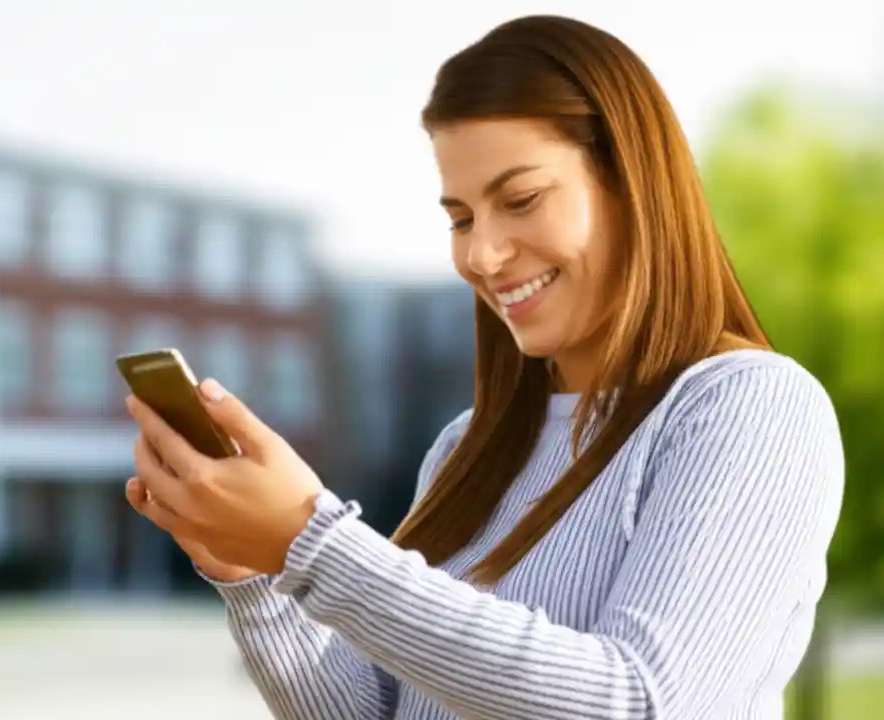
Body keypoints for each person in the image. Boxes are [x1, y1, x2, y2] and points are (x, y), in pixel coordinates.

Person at [122, 14, 844, 719]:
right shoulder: (465, 450)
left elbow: (646, 703)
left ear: (634, 185)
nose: (481, 255)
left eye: (521, 200)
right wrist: (251, 571)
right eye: (461, 218)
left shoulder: (749, 407)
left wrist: (310, 540)